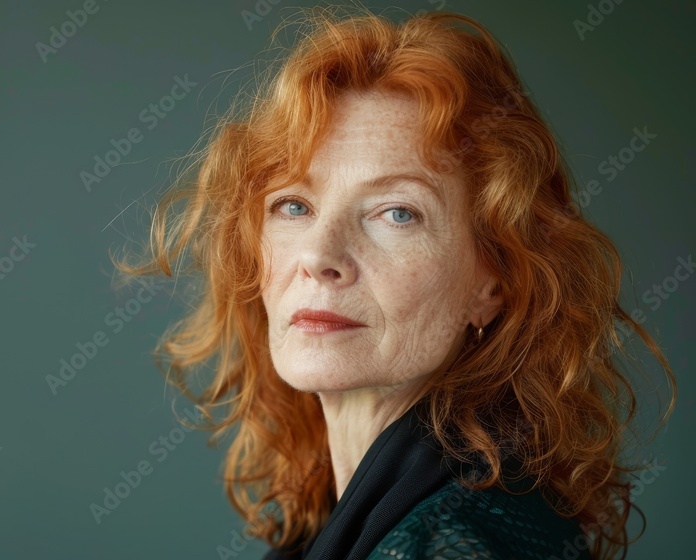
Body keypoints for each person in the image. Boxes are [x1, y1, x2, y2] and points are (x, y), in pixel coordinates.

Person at [112, 6, 676, 560]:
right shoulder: (357, 517)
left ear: (493, 283)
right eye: (292, 204)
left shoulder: (456, 543)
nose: (318, 255)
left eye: (397, 213)